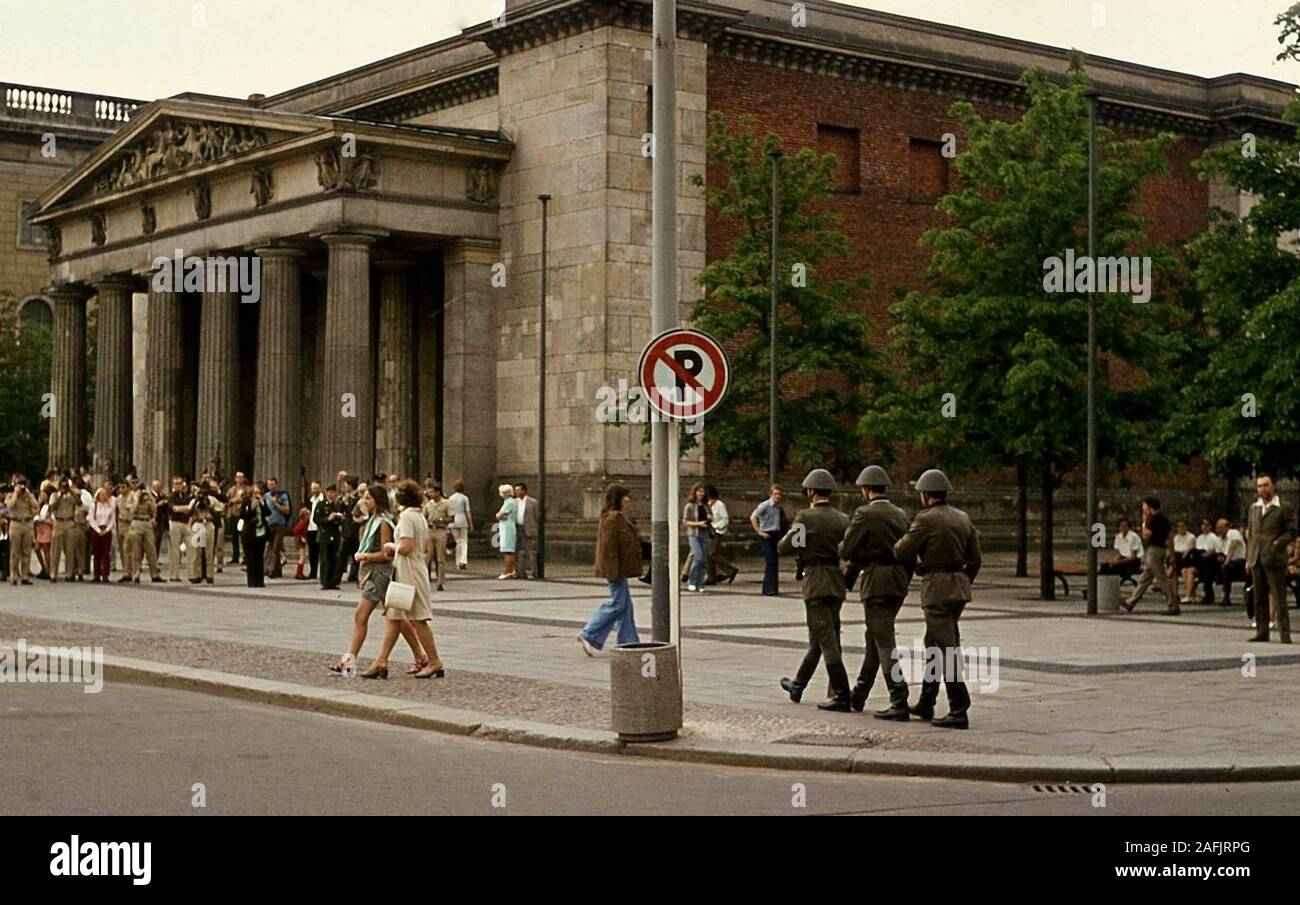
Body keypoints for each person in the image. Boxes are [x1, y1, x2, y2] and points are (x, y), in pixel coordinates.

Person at [893, 468, 982, 729]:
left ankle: (959, 707)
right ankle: (926, 700)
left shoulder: (926, 518)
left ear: (926, 493)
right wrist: (963, 581)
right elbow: (975, 559)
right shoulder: (963, 518)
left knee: (945, 649)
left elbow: (901, 550)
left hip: (937, 590)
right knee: (934, 644)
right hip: (958, 588)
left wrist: (923, 564)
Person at [838, 465, 913, 720]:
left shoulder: (864, 514)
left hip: (876, 582)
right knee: (875, 638)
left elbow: (847, 549)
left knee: (883, 641)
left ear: (865, 489)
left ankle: (898, 696)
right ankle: (859, 694)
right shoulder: (901, 514)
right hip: (898, 582)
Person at [777, 469, 851, 710]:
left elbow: (788, 546)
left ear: (810, 492)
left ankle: (841, 693)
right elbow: (848, 550)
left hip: (816, 580)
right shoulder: (842, 519)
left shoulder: (805, 517)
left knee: (826, 640)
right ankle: (798, 685)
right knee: (819, 638)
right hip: (835, 580)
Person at [358, 481, 446, 680]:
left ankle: (434, 661)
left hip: (409, 573)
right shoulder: (418, 515)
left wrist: (390, 545)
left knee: (417, 618)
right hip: (408, 570)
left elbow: (406, 546)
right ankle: (381, 661)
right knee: (394, 615)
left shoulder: (406, 517)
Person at [332, 487, 424, 677]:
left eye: (368, 498)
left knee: (361, 615)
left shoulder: (383, 523)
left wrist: (365, 556)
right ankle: (420, 656)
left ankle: (349, 660)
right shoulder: (372, 520)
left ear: (378, 500)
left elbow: (385, 554)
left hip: (379, 574)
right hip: (373, 572)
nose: (364, 502)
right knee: (397, 617)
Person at [577, 483, 642, 655]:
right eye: (625, 496)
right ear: (618, 498)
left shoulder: (617, 516)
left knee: (625, 606)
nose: (628, 499)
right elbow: (608, 547)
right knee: (618, 603)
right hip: (615, 569)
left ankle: (628, 642)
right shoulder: (612, 518)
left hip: (619, 568)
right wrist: (612, 571)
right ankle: (589, 633)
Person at [1246, 474, 1295, 644]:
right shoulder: (1254, 508)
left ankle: (1285, 633)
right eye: (1259, 486)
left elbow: (1292, 531)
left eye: (1266, 485)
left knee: (1278, 597)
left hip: (1274, 557)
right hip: (1256, 557)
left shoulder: (1283, 507)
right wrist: (1248, 557)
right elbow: (1251, 534)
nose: (1262, 489)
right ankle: (1262, 631)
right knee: (1258, 598)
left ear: (1273, 486)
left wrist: (1278, 543)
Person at [1122, 497, 1179, 615]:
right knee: (1145, 578)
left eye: (1144, 506)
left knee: (1162, 578)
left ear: (1149, 507)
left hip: (1154, 550)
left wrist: (1144, 521)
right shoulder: (1164, 520)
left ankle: (1173, 605)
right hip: (1161, 549)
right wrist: (1172, 553)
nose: (1143, 509)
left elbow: (1146, 536)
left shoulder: (1152, 520)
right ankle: (1131, 601)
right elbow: (1170, 538)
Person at [123, 476, 163, 584]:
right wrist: (136, 498)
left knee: (151, 549)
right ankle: (136, 574)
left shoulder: (147, 495)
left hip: (147, 522)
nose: (136, 485)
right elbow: (131, 510)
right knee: (136, 550)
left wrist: (150, 499)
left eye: (137, 482)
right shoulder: (131, 496)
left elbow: (154, 508)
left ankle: (155, 574)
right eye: (133, 483)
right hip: (136, 522)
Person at [750, 485, 784, 596]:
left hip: (776, 534)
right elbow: (753, 517)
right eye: (775, 494)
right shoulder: (765, 505)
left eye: (779, 494)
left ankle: (773, 587)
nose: (777, 497)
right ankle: (768, 588)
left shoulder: (779, 507)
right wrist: (759, 531)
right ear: (770, 495)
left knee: (775, 561)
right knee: (770, 561)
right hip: (767, 534)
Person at [5, 477, 38, 585]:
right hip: (16, 523)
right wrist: (16, 492)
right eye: (20, 485)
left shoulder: (28, 496)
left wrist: (28, 494)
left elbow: (36, 506)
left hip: (27, 523)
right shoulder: (11, 495)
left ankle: (25, 575)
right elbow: (10, 505)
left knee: (26, 551)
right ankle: (14, 575)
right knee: (15, 552)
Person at [704, 485, 738, 586]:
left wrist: (717, 527)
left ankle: (731, 569)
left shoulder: (719, 505)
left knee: (712, 553)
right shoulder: (709, 505)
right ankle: (712, 576)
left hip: (718, 531)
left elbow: (725, 519)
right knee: (708, 554)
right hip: (710, 530)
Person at [423, 483, 453, 591]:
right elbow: (423, 516)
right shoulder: (428, 504)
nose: (430, 494)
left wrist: (441, 520)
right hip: (430, 530)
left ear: (438, 492)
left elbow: (451, 518)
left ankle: (440, 581)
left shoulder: (446, 503)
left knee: (440, 558)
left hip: (441, 530)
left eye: (432, 492)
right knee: (427, 556)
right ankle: (425, 579)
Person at [239, 483, 271, 588]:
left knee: (259, 558)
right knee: (251, 558)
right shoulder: (247, 502)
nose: (257, 495)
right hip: (250, 533)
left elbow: (268, 513)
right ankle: (251, 581)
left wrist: (262, 503)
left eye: (259, 493)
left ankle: (260, 581)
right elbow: (242, 515)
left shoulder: (262, 502)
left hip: (260, 532)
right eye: (255, 493)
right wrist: (252, 508)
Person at [1185, 517, 1222, 605]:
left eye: (1207, 525)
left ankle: (1190, 595)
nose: (1204, 527)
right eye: (1203, 524)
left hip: (1209, 562)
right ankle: (1191, 594)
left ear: (1210, 527)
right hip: (1199, 561)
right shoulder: (1199, 538)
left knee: (1197, 570)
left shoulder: (1213, 537)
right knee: (1185, 570)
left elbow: (1213, 551)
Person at [682, 483, 710, 593]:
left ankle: (701, 582)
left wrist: (710, 518)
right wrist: (698, 524)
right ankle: (691, 581)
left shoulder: (706, 505)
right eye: (699, 491)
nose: (701, 494)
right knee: (697, 556)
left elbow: (710, 516)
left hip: (705, 533)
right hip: (694, 534)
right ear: (695, 492)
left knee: (703, 559)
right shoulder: (690, 506)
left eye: (702, 491)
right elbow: (685, 521)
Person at [188, 482, 217, 584]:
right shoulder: (194, 500)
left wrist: (208, 504)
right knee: (197, 552)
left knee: (209, 552)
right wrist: (196, 501)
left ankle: (209, 575)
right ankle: (197, 574)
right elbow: (189, 512)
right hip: (198, 523)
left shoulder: (212, 500)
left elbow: (218, 511)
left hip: (208, 523)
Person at [315, 485, 343, 590]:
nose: (332, 494)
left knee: (334, 558)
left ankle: (333, 581)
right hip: (324, 534)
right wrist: (328, 519)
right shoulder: (321, 505)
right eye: (330, 492)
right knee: (325, 558)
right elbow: (317, 519)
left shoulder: (336, 505)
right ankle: (325, 581)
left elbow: (340, 517)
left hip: (335, 534)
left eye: (334, 492)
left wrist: (339, 518)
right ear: (326, 493)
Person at [263, 477, 291, 578]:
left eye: (273, 485)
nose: (271, 487)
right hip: (270, 524)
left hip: (280, 524)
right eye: (269, 485)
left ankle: (271, 569)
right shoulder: (266, 496)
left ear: (276, 485)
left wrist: (277, 505)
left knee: (276, 547)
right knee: (270, 547)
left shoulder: (282, 495)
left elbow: (287, 510)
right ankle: (277, 570)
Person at [1217, 517, 1248, 608]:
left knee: (1226, 568)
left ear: (1227, 527)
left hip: (1239, 562)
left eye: (1221, 528)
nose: (1219, 530)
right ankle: (1208, 594)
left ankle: (1226, 596)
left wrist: (1226, 561)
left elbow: (1232, 547)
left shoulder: (1233, 533)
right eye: (1217, 528)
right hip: (1229, 561)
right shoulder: (1220, 539)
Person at [88, 484, 116, 582]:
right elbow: (91, 519)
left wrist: (107, 529)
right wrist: (98, 530)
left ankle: (105, 574)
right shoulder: (94, 505)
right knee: (97, 553)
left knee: (106, 553)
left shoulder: (110, 506)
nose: (104, 496)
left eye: (105, 495)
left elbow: (112, 519)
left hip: (106, 529)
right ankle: (96, 574)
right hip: (96, 529)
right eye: (102, 495)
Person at [513, 483, 538, 579]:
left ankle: (529, 571)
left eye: (518, 490)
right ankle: (516, 571)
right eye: (516, 490)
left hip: (527, 528)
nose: (517, 492)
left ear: (524, 490)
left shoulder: (533, 502)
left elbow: (536, 516)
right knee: (515, 550)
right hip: (516, 527)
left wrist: (533, 527)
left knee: (528, 551)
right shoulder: (514, 502)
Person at [494, 483, 518, 580]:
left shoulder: (509, 502)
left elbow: (499, 515)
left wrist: (498, 515)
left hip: (507, 528)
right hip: (506, 526)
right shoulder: (510, 502)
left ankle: (508, 570)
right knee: (507, 550)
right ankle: (510, 570)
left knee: (508, 550)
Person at [449, 479, 473, 570]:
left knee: (457, 541)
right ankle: (463, 560)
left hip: (454, 520)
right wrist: (470, 523)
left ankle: (458, 561)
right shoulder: (464, 498)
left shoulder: (451, 498)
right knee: (464, 541)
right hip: (463, 520)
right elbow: (467, 511)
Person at [305, 481, 323, 581]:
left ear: (320, 488)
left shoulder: (322, 500)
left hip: (319, 529)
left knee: (321, 551)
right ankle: (313, 572)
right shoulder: (310, 500)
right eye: (313, 488)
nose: (315, 490)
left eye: (316, 488)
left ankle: (323, 573)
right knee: (312, 552)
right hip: (310, 528)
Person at [1170, 518, 1195, 590]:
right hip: (1176, 561)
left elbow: (1189, 550)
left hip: (1186, 560)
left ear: (1186, 527)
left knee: (1176, 558)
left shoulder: (1191, 537)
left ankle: (1168, 573)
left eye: (1182, 526)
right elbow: (1174, 549)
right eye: (1179, 526)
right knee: (1174, 562)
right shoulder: (1176, 537)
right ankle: (1174, 594)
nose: (1181, 528)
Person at [291, 506, 310, 580]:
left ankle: (300, 572)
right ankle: (299, 573)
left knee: (303, 557)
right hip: (300, 541)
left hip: (300, 540)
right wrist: (301, 537)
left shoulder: (304, 522)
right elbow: (296, 530)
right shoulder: (302, 523)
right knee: (302, 557)